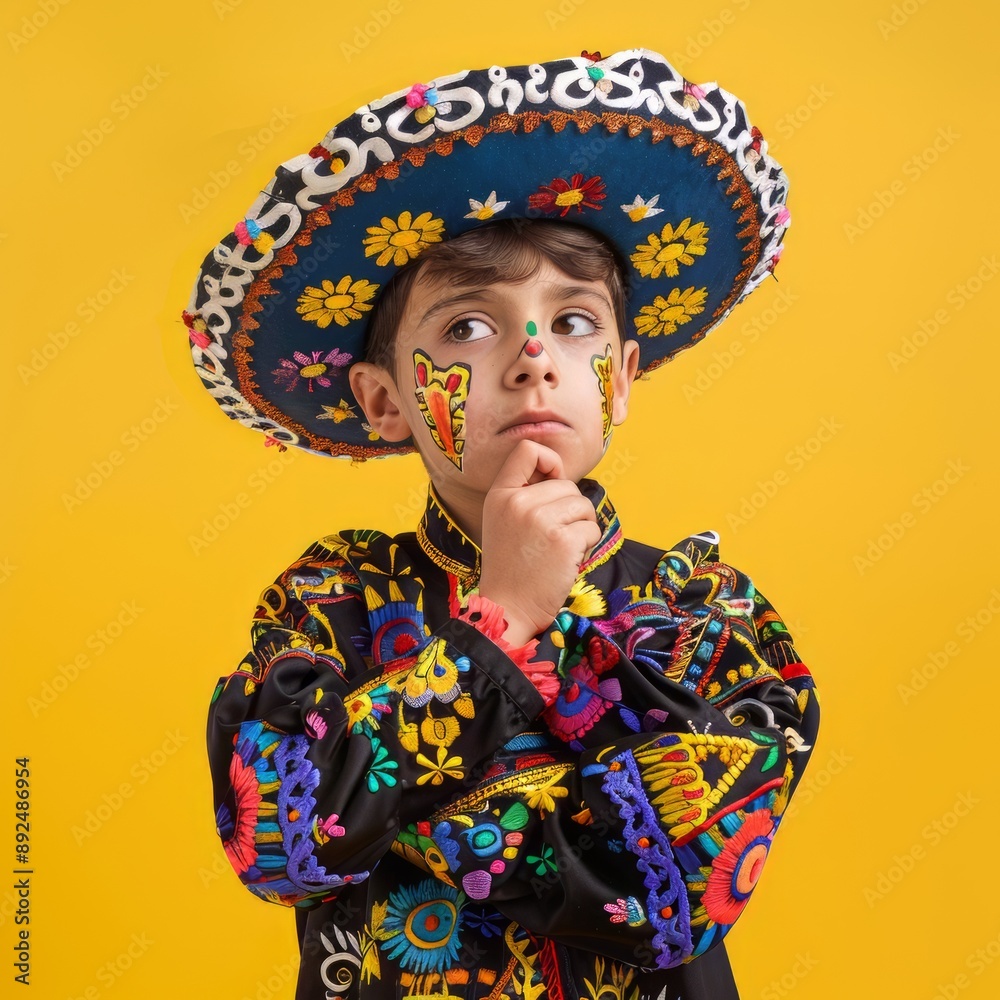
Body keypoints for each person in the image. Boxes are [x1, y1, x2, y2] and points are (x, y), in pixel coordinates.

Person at [189, 48, 819, 1000]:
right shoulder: (330, 601)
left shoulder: (706, 614)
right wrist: (497, 623)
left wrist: (397, 809)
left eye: (573, 323)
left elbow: (670, 899)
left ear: (624, 374)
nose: (532, 361)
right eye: (468, 331)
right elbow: (274, 841)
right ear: (384, 399)